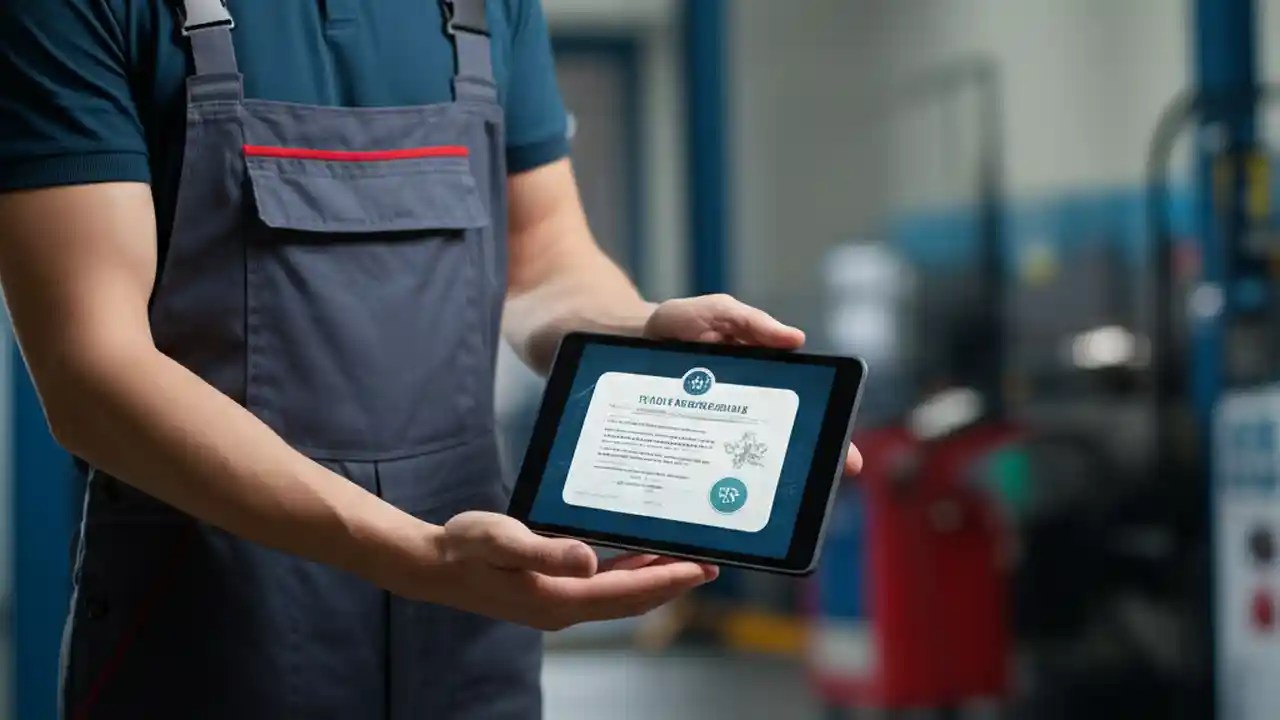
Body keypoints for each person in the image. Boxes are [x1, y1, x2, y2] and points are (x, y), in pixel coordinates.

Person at [0, 0, 863, 717]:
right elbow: (92, 369)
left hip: (470, 629)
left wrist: (641, 335)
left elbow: (545, 265)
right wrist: (410, 556)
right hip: (213, 631)